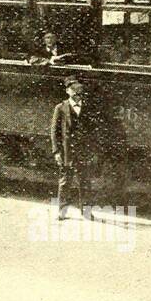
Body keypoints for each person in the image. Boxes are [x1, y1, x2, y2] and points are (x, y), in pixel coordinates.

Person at [50, 76, 96, 220]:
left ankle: (86, 211)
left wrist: (92, 151)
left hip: (84, 151)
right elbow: (54, 131)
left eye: (79, 89)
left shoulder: (88, 107)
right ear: (67, 91)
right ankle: (62, 211)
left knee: (85, 181)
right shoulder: (61, 108)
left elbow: (93, 131)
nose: (76, 93)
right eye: (73, 89)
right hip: (66, 152)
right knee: (65, 181)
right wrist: (56, 151)